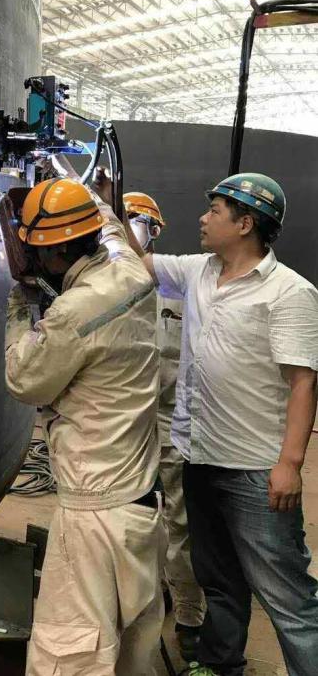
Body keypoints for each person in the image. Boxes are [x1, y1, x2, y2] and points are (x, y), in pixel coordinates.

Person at [132, 172, 318, 676]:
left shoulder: (289, 292)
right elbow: (136, 261)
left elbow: (303, 383)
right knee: (220, 582)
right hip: (200, 457)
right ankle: (219, 666)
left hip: (255, 470)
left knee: (288, 597)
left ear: (245, 222)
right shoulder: (197, 271)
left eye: (214, 210)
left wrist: (290, 464)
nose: (203, 217)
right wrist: (110, 208)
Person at [4, 177, 166, 676]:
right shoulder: (131, 272)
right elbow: (111, 225)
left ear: (50, 254)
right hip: (141, 500)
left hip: (95, 512)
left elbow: (23, 378)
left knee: (71, 652)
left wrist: (20, 304)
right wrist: (80, 189)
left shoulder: (74, 311)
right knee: (135, 643)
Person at [124, 192, 206, 662]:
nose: (133, 230)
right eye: (125, 221)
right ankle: (147, 595)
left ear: (155, 230)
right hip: (130, 424)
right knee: (134, 515)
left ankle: (191, 615)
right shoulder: (111, 285)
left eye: (139, 222)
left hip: (176, 422)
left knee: (180, 522)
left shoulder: (182, 285)